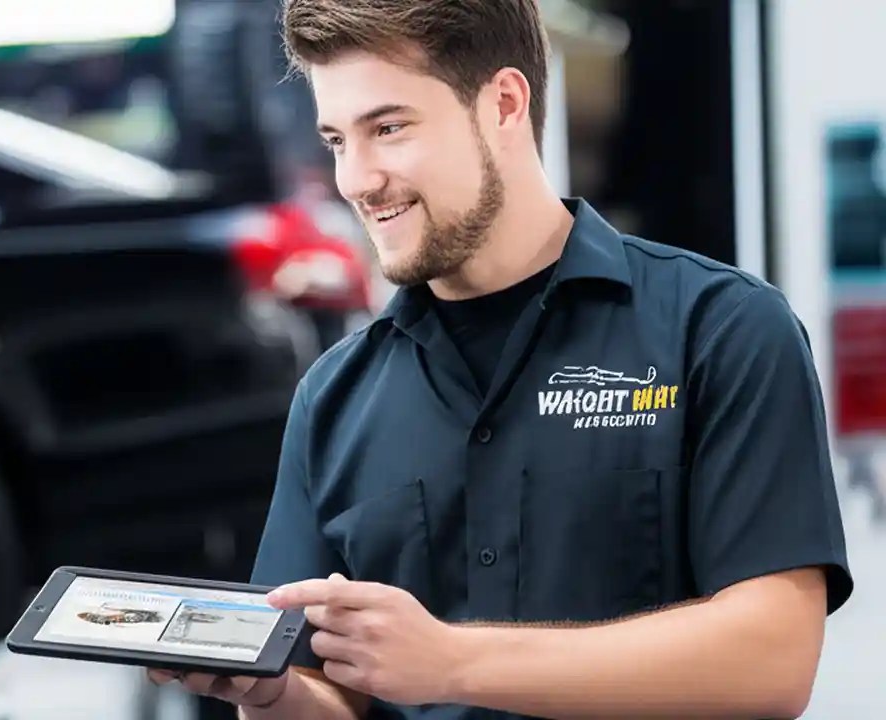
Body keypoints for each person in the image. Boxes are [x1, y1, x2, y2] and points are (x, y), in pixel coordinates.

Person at [150, 0, 854, 718]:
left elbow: (773, 661)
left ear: (504, 105)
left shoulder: (721, 330)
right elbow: (333, 698)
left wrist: (454, 662)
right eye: (337, 140)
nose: (356, 179)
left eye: (388, 128)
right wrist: (271, 693)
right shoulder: (334, 398)